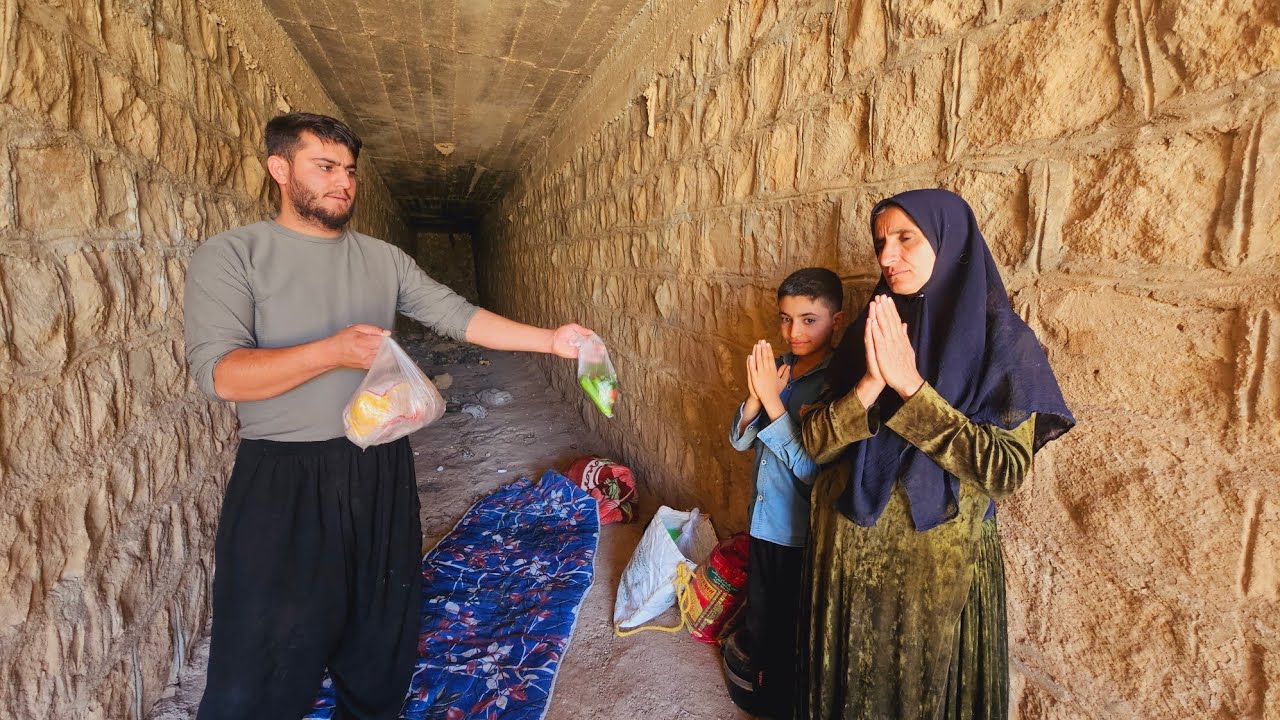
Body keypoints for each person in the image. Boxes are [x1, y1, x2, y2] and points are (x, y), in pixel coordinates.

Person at [183, 112, 594, 720]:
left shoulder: (382, 258)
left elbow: (459, 316)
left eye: (349, 171)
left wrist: (551, 340)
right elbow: (221, 375)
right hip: (283, 476)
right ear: (279, 169)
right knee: (262, 649)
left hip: (380, 465)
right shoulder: (233, 255)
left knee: (381, 630)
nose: (343, 182)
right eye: (324, 167)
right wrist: (330, 352)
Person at [795, 189, 1075, 719]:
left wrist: (912, 388)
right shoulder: (872, 329)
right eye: (881, 241)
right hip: (847, 565)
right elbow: (817, 443)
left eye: (905, 239)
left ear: (950, 244)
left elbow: (1004, 470)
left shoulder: (1005, 343)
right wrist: (871, 385)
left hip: (937, 582)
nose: (885, 257)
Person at [723, 268, 845, 719]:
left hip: (800, 533)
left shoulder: (838, 382)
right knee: (762, 621)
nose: (794, 332)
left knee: (794, 632)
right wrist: (756, 399)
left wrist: (774, 404)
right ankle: (763, 697)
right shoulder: (782, 366)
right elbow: (739, 441)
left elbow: (816, 473)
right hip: (764, 521)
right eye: (786, 319)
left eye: (809, 319)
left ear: (837, 318)